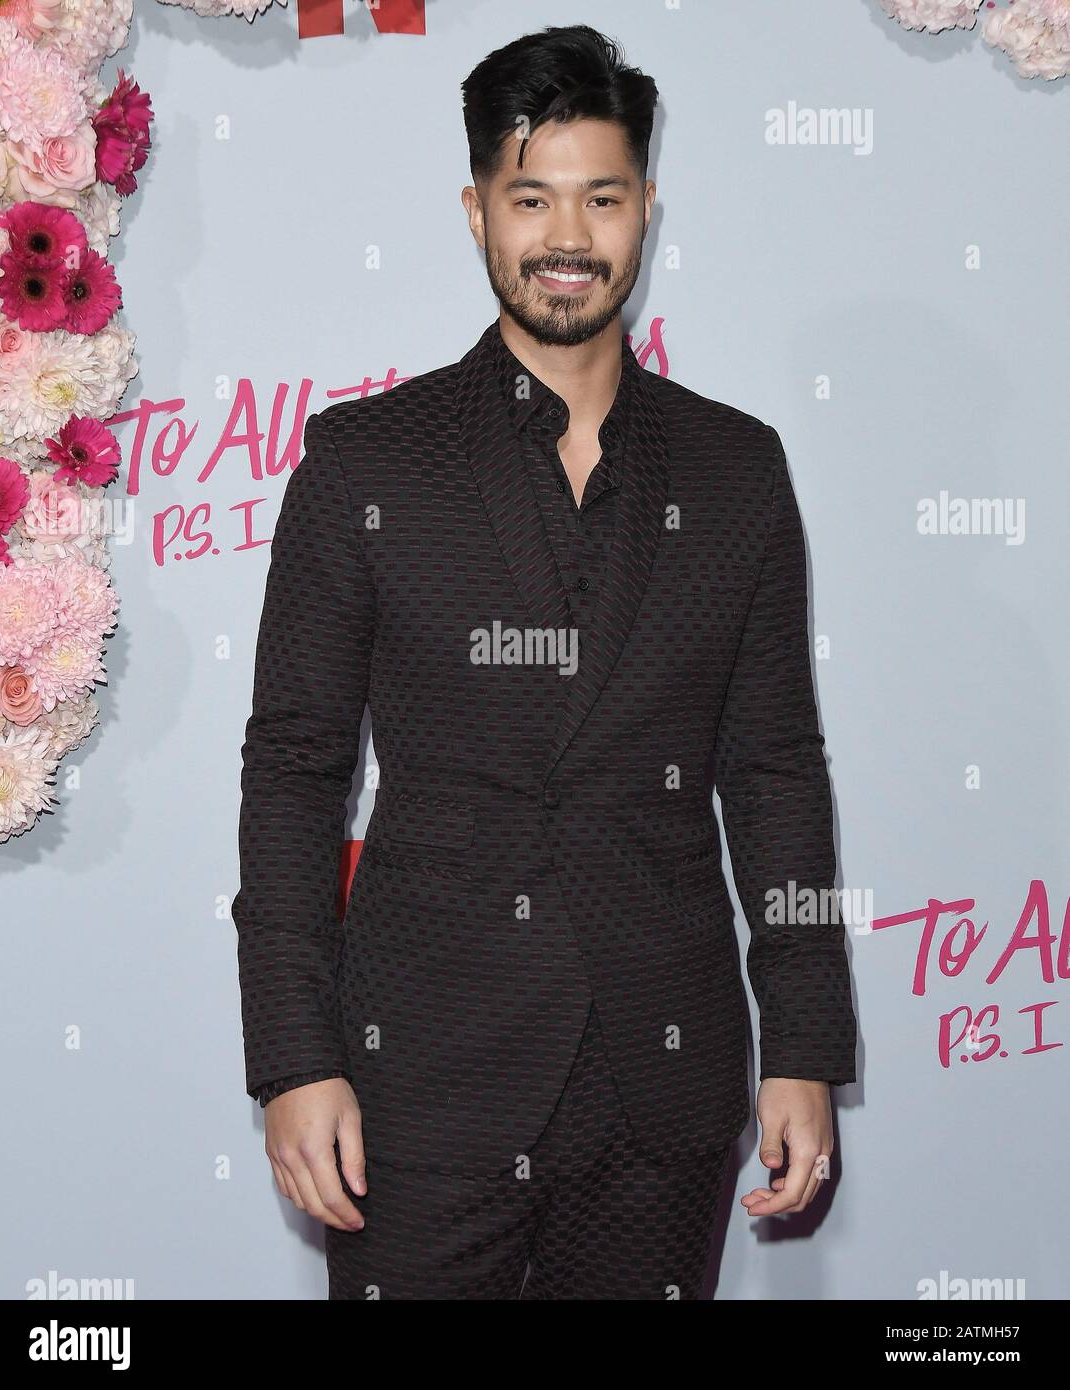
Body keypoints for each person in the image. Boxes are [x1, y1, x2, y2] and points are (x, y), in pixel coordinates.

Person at [231, 23, 857, 1301]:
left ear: (644, 213)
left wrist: (799, 1039)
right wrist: (294, 1057)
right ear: (475, 213)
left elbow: (775, 769)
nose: (565, 235)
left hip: (660, 1082)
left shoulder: (737, 470)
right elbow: (294, 772)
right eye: (530, 196)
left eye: (599, 195)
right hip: (417, 1077)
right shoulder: (367, 463)